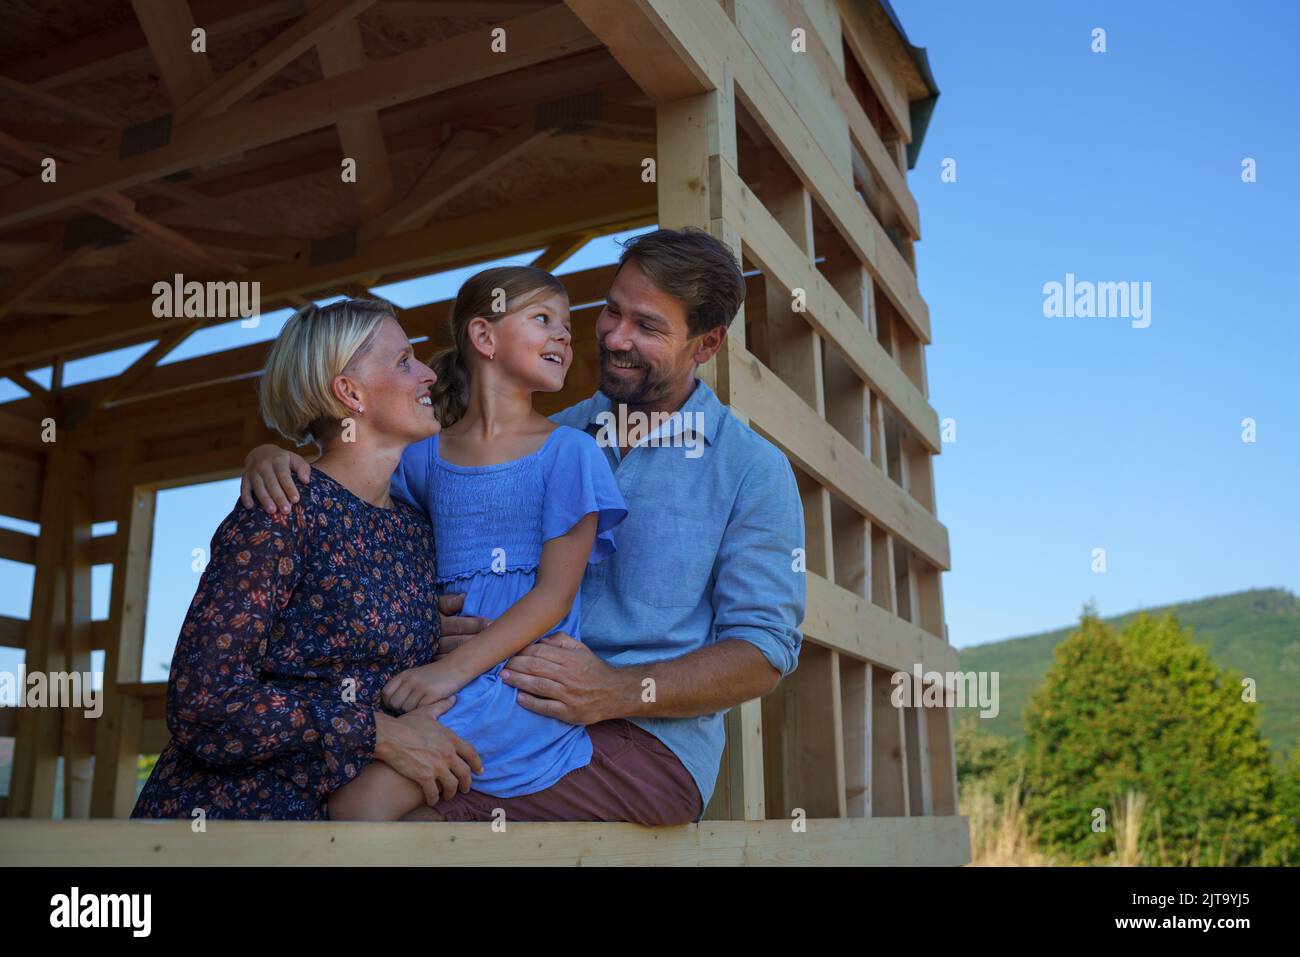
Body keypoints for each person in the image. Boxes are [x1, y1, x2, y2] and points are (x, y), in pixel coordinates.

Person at [241, 228, 806, 825]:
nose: (614, 336)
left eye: (647, 326)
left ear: (707, 344)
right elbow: (376, 504)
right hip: (490, 690)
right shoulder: (540, 439)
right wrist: (273, 458)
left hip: (643, 740)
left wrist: (614, 689)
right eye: (612, 310)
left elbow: (764, 651)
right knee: (330, 793)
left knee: (403, 824)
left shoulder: (750, 469)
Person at [133, 298, 483, 820]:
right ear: (349, 392)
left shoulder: (417, 529)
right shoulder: (281, 509)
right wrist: (377, 734)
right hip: (233, 828)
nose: (429, 374)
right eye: (404, 361)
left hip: (346, 830)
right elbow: (204, 701)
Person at [327, 266, 627, 820]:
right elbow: (348, 496)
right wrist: (269, 457)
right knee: (359, 798)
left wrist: (450, 671)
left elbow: (554, 597)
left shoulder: (571, 454)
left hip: (517, 684)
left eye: (566, 325)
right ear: (484, 337)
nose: (565, 335)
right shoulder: (421, 457)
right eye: (543, 319)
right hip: (429, 674)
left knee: (358, 804)